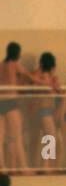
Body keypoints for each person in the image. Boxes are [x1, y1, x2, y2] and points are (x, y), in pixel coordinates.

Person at [0, 42, 38, 173]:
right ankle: (23, 167)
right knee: (17, 137)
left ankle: (3, 167)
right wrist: (48, 84)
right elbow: (32, 78)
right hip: (10, 101)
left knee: (1, 138)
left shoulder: (1, 65)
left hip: (1, 101)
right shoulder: (15, 65)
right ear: (17, 53)